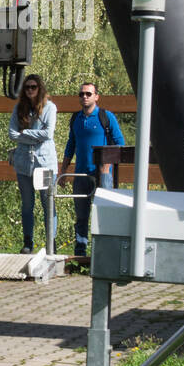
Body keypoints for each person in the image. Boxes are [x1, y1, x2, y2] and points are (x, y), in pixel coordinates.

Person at [60, 81, 125, 257]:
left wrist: (107, 167)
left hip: (102, 175)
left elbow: (120, 143)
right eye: (81, 94)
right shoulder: (76, 118)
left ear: (96, 96)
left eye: (88, 94)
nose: (85, 97)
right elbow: (70, 145)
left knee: (104, 214)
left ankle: (105, 253)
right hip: (81, 174)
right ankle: (80, 253)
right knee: (81, 216)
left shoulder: (106, 116)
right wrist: (63, 170)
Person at [9, 73, 58, 253]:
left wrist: (25, 134)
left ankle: (51, 243)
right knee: (27, 205)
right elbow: (12, 134)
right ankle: (27, 243)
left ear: (40, 88)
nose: (30, 90)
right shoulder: (18, 108)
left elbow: (48, 134)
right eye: (27, 87)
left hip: (45, 163)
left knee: (48, 203)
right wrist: (32, 137)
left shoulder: (50, 108)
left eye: (33, 87)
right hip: (24, 164)